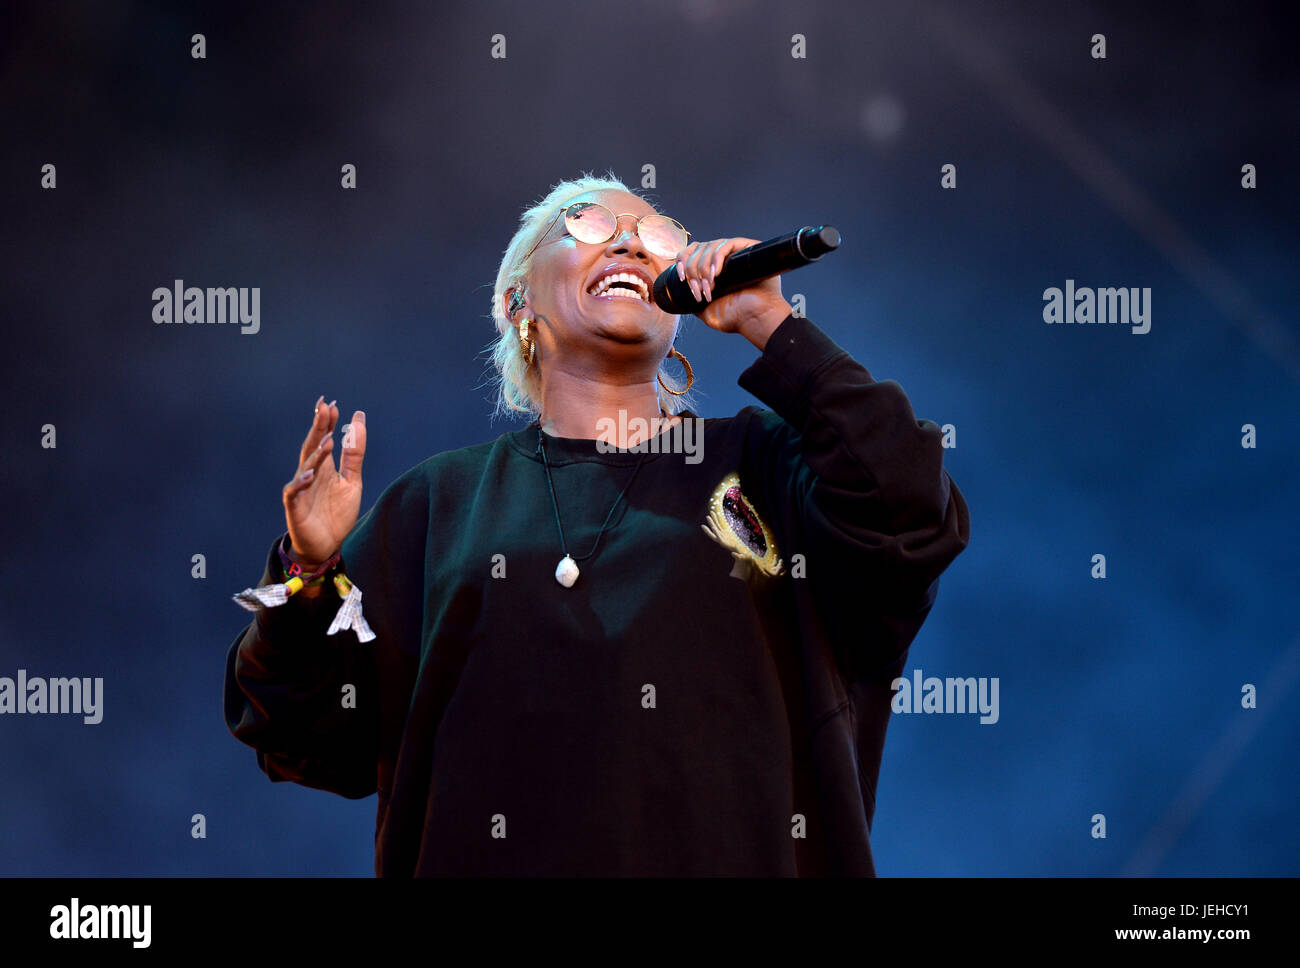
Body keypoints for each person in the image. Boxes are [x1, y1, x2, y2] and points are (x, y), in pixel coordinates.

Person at [223, 172, 971, 876]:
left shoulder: (768, 464)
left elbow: (910, 511)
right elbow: (302, 736)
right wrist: (309, 570)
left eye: (659, 234)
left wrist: (770, 324)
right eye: (586, 223)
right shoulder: (436, 505)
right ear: (521, 303)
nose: (629, 242)